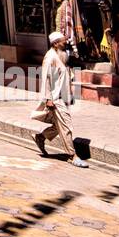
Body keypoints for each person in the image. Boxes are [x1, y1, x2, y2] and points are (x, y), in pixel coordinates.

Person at [32, 30, 87, 167]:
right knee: (66, 125)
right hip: (55, 98)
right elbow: (45, 79)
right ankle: (72, 156)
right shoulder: (50, 57)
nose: (65, 41)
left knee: (59, 125)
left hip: (63, 96)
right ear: (56, 43)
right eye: (63, 40)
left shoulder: (61, 55)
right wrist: (48, 99)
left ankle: (41, 137)